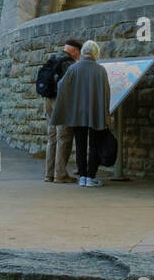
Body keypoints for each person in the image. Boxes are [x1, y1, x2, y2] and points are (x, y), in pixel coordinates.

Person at [50, 39, 112, 187]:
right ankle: (91, 176)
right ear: (95, 52)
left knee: (80, 145)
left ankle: (82, 176)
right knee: (95, 144)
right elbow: (106, 92)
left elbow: (61, 85)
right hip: (95, 112)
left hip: (77, 113)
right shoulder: (101, 70)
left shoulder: (73, 68)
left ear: (83, 51)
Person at [42, 39, 82, 183]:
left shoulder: (53, 59)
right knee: (64, 137)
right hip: (61, 102)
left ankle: (49, 174)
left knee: (52, 137)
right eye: (79, 53)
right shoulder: (68, 64)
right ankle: (60, 174)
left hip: (48, 100)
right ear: (75, 51)